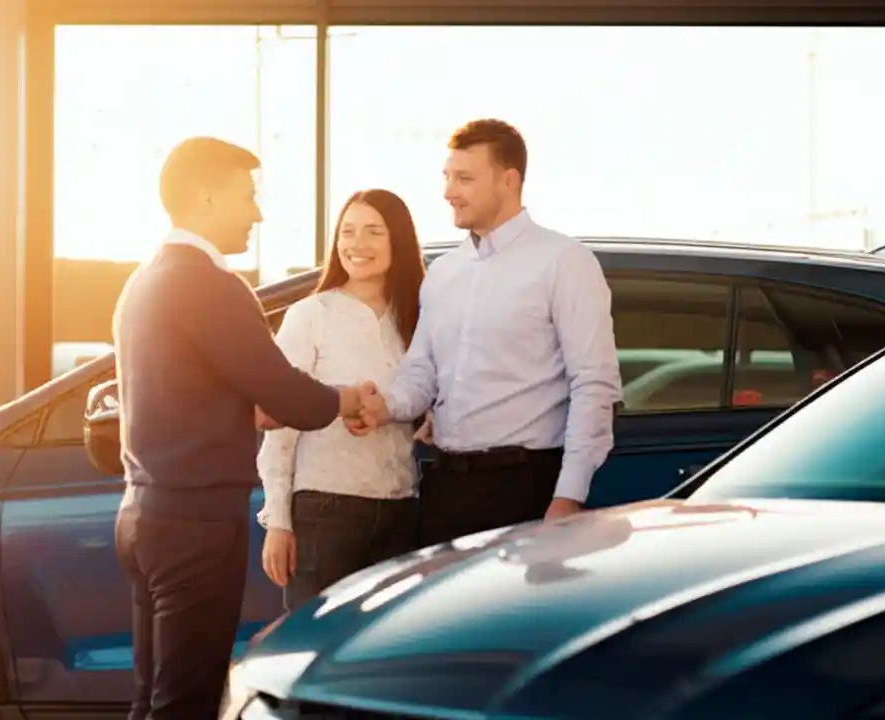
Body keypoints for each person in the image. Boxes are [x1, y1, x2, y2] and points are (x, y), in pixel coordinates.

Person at [111, 137, 379, 720]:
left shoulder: (144, 281)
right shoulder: (209, 284)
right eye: (247, 196)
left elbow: (210, 392)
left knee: (153, 697)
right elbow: (285, 392)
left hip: (143, 516)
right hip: (196, 525)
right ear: (208, 198)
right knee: (187, 700)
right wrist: (349, 398)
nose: (257, 212)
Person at [353, 118, 623, 545]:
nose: (448, 192)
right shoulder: (443, 273)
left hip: (527, 488)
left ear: (508, 180)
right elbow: (421, 373)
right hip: (445, 490)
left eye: (464, 178)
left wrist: (568, 497)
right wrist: (383, 407)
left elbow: (594, 384)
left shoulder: (564, 262)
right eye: (447, 177)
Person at [257, 189, 429, 610]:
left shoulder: (419, 317)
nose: (357, 244)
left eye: (374, 232)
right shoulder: (311, 315)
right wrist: (278, 521)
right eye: (348, 232)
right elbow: (281, 425)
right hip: (326, 511)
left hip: (400, 509)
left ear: (398, 241)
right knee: (315, 648)